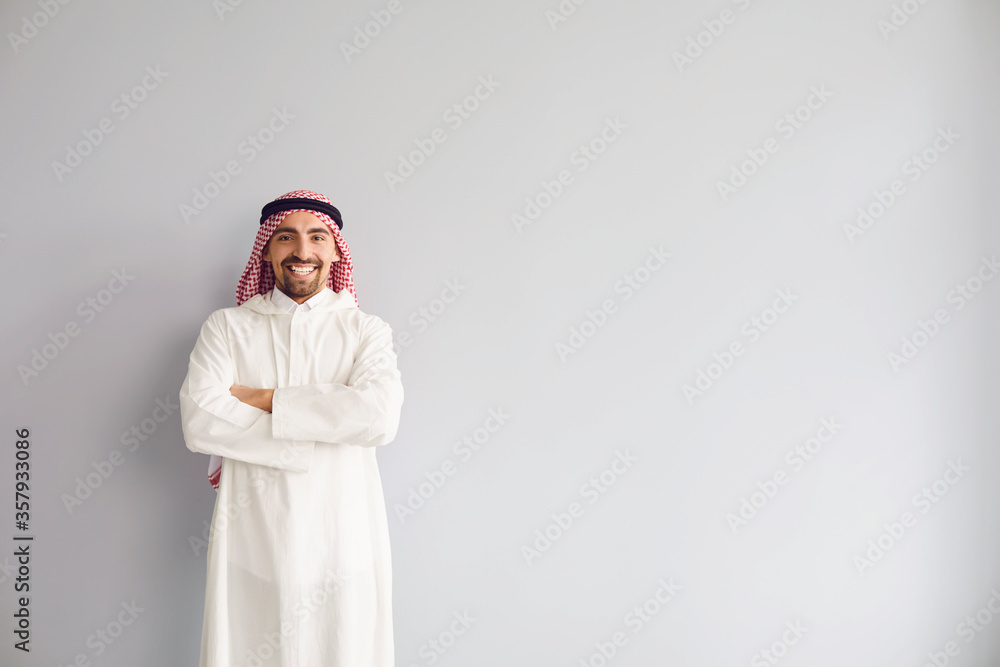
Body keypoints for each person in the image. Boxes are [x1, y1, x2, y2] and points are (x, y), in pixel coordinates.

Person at [179, 189, 404, 666]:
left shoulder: (366, 331)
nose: (302, 252)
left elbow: (378, 417)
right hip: (254, 540)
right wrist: (323, 423)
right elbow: (201, 421)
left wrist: (264, 399)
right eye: (287, 237)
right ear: (267, 249)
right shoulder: (227, 328)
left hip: (343, 539)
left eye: (317, 237)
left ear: (335, 251)